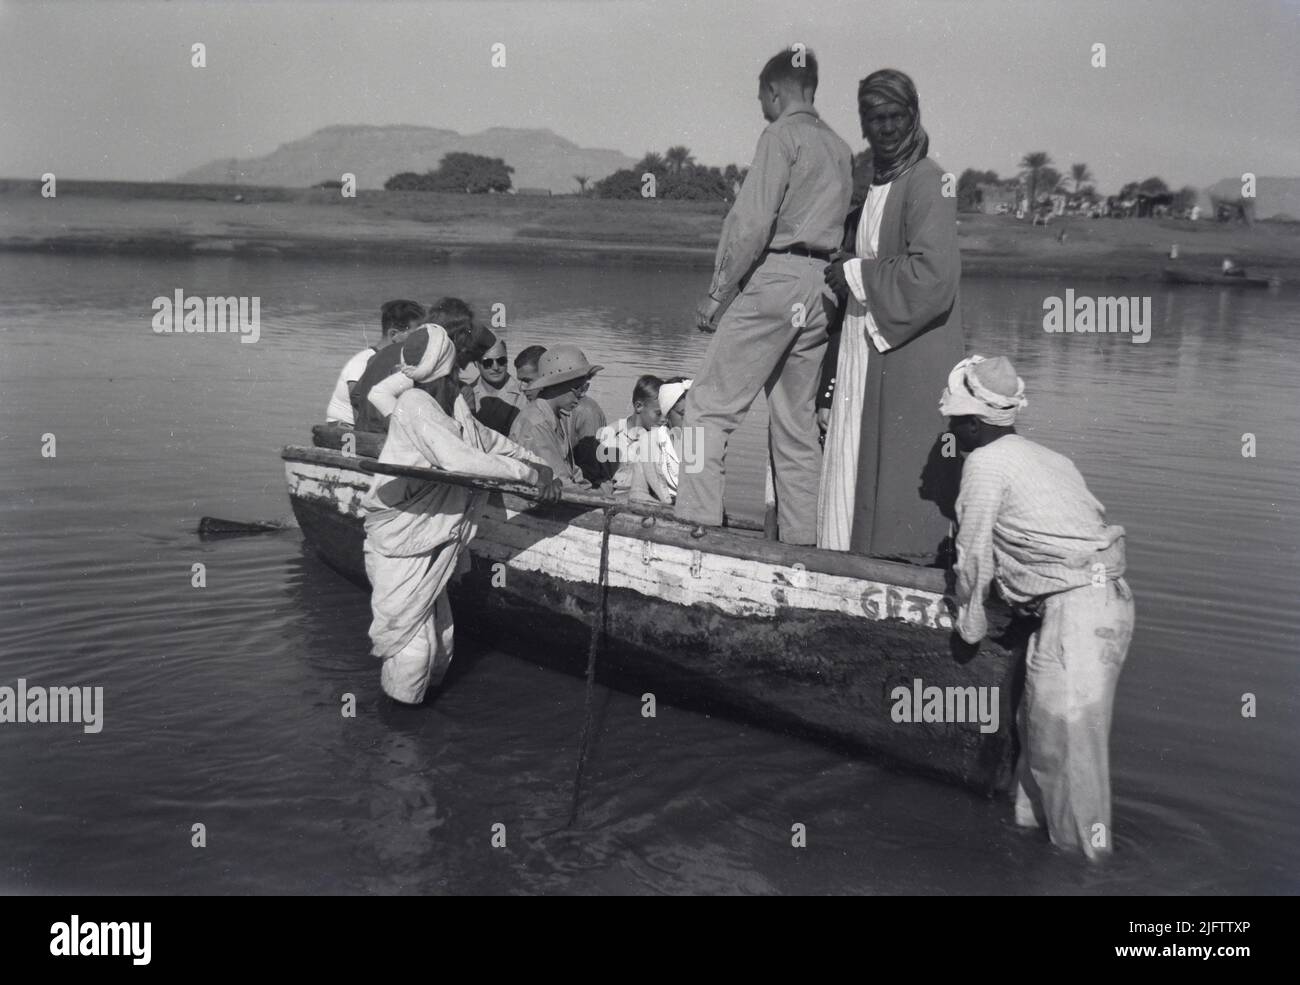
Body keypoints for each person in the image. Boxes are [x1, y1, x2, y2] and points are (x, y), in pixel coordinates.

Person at [942, 355, 1134, 861]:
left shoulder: (984, 463)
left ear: (974, 421)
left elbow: (974, 553)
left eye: (954, 420)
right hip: (1098, 602)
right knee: (1041, 746)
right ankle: (1033, 857)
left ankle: (1088, 872)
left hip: (1079, 613)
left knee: (1070, 759)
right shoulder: (1045, 456)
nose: (950, 428)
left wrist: (969, 623)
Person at [673, 48, 853, 545]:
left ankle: (696, 526)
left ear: (775, 91)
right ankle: (804, 544)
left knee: (707, 408)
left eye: (761, 97)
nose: (761, 107)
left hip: (779, 279)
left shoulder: (780, 136)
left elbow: (751, 223)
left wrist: (717, 294)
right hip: (823, 289)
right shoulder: (839, 146)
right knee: (795, 426)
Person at [361, 325, 561, 704]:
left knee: (442, 645)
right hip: (399, 544)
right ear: (445, 370)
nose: (462, 376)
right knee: (414, 652)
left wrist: (538, 465)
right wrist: (530, 475)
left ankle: (417, 721)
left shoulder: (451, 405)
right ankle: (398, 739)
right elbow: (460, 460)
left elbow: (486, 441)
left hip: (433, 541)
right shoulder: (415, 405)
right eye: (456, 369)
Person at [819, 68, 965, 562]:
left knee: (899, 470)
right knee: (856, 463)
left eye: (895, 116)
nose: (885, 128)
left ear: (914, 115)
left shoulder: (931, 182)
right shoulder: (878, 183)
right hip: (867, 346)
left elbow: (933, 277)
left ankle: (899, 566)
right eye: (873, 118)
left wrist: (857, 273)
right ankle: (850, 562)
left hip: (908, 352)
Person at [352, 297, 480, 432]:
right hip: (394, 446)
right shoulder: (432, 369)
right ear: (456, 337)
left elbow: (356, 396)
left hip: (363, 440)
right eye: (468, 334)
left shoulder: (383, 354)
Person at [509, 344, 602, 488]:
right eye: (579, 389)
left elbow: (572, 472)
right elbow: (560, 482)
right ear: (557, 384)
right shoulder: (536, 422)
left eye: (585, 388)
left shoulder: (557, 416)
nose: (581, 396)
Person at [325, 300, 425, 424]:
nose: (423, 340)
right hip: (345, 427)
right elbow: (357, 400)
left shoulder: (389, 359)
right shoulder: (364, 360)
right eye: (417, 335)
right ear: (394, 334)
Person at [630, 378, 691, 504]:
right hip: (662, 511)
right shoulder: (647, 442)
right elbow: (637, 493)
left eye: (694, 414)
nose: (689, 420)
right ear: (667, 414)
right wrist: (666, 510)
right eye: (682, 414)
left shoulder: (707, 443)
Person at [596, 375, 663, 491]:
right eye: (658, 413)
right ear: (639, 406)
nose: (663, 419)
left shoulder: (661, 436)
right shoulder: (611, 435)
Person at [471, 338, 528, 435]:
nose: (496, 367)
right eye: (488, 363)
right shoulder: (465, 395)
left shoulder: (526, 394)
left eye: (501, 361)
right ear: (476, 364)